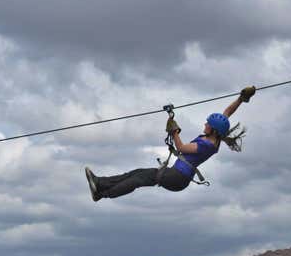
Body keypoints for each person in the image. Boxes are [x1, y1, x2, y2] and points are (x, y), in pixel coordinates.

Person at [85, 86, 255, 201]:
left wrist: (174, 130)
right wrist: (241, 98)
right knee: (137, 173)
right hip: (178, 177)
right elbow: (227, 112)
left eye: (207, 124)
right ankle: (100, 184)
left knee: (138, 179)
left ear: (214, 130)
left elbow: (181, 148)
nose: (205, 124)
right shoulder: (215, 137)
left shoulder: (206, 145)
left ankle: (103, 193)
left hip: (177, 177)